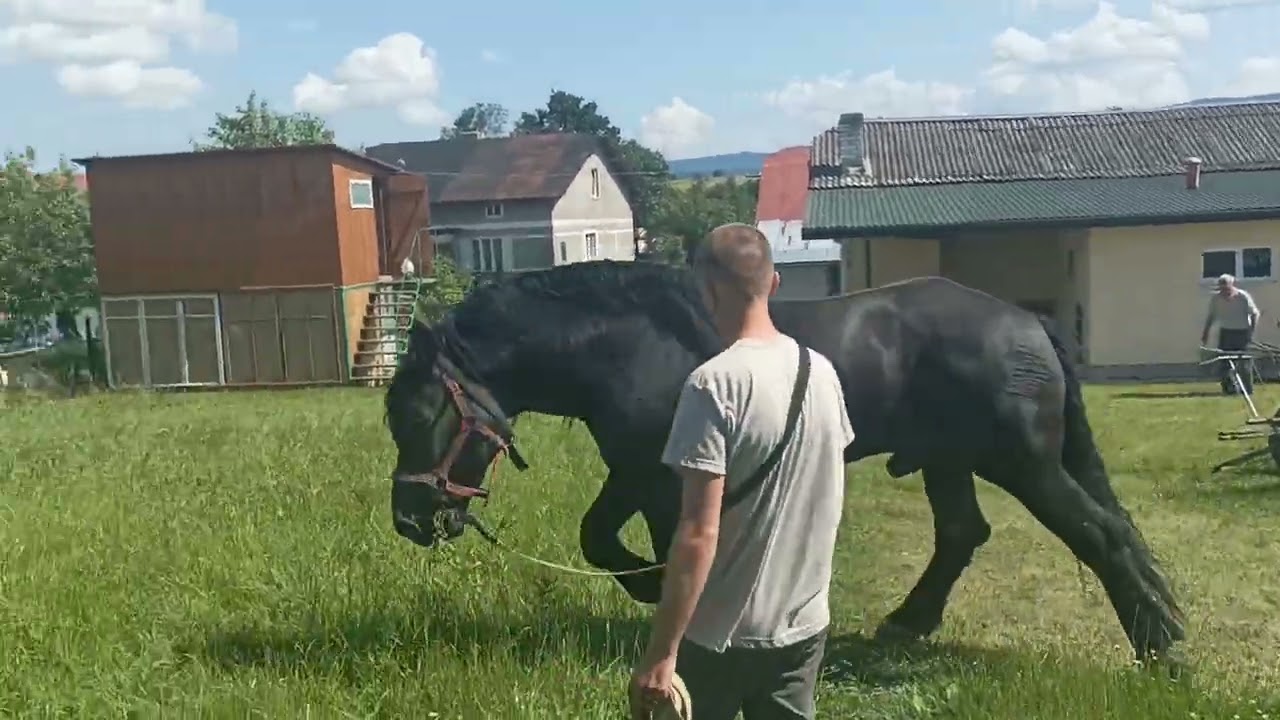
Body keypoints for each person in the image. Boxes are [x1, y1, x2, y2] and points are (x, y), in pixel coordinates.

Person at [628, 223, 855, 720]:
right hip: (804, 624)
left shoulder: (712, 385)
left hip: (720, 635)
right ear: (774, 283)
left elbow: (698, 532)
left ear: (707, 291)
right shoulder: (821, 371)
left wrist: (662, 652)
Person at [1200, 273, 1261, 395]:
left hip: (1242, 332)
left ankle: (1247, 390)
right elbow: (1211, 316)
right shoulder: (1216, 299)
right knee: (1225, 362)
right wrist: (1206, 333)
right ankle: (1229, 389)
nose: (1224, 292)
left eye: (1227, 289)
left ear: (1231, 285)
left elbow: (1255, 314)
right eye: (1222, 289)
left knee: (1244, 363)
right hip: (1226, 332)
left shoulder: (1242, 296)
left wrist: (1251, 332)